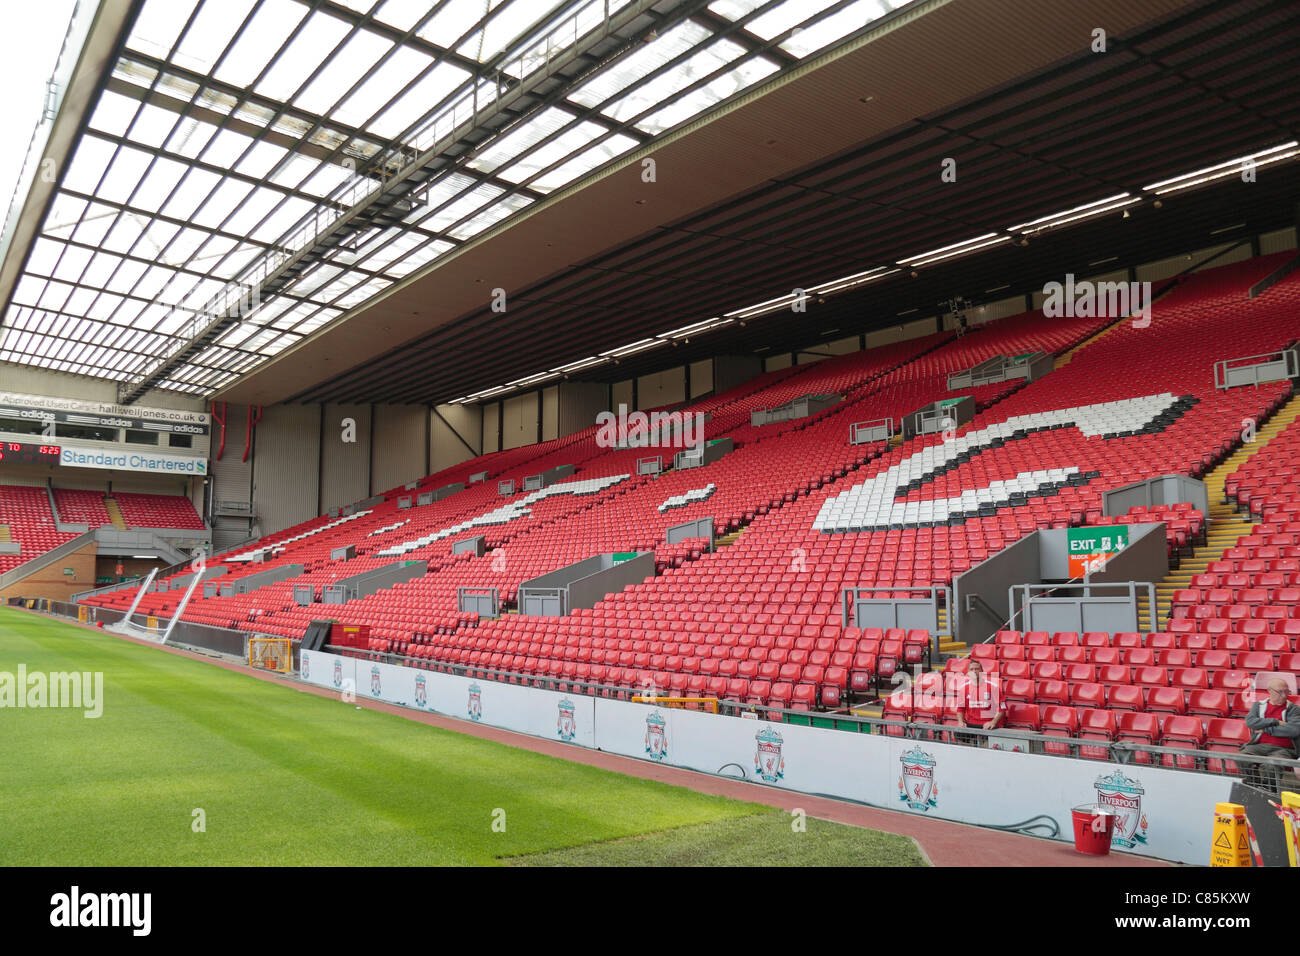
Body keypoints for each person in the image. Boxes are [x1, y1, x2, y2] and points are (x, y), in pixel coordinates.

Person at [1240, 678, 1300, 791]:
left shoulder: (1294, 709)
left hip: (1284, 749)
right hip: (1259, 746)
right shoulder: (1258, 706)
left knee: (1270, 766)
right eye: (1280, 692)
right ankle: (1255, 787)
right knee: (1241, 757)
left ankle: (1269, 791)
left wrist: (1265, 730)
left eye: (1286, 692)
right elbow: (1250, 722)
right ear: (1269, 691)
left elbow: (1293, 730)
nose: (1284, 695)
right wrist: (1275, 722)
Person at [953, 657, 1005, 746]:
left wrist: (993, 722)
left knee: (987, 743)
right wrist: (961, 722)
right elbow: (960, 709)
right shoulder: (963, 688)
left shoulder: (993, 687)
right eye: (971, 669)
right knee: (959, 733)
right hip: (971, 723)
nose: (974, 671)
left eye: (977, 669)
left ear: (982, 671)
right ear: (968, 672)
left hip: (988, 723)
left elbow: (1002, 709)